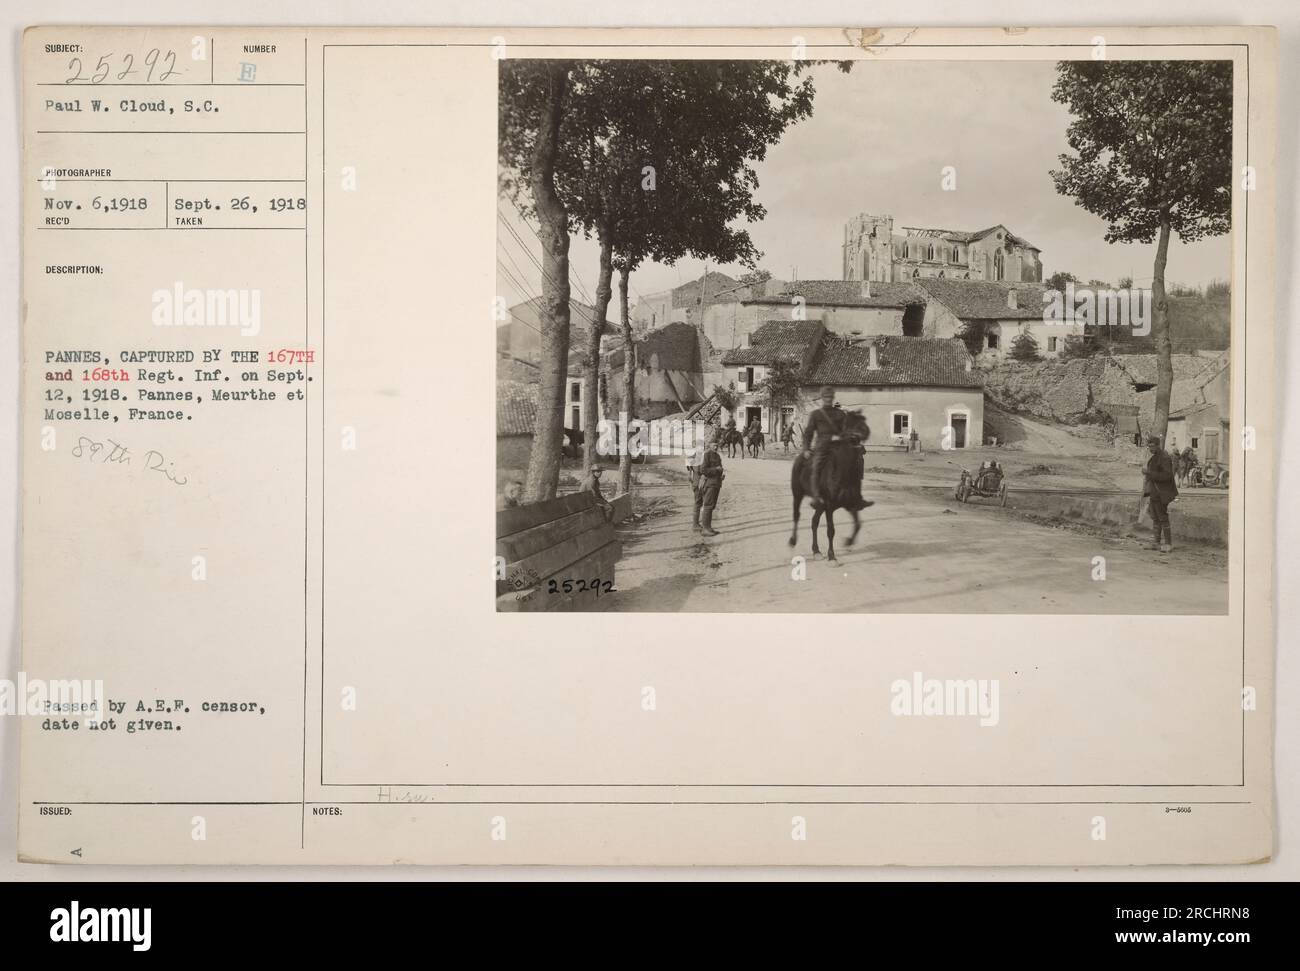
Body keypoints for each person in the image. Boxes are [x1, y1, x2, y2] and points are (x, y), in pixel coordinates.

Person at [802, 386, 845, 504]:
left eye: (830, 397)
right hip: (822, 448)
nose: (828, 399)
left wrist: (841, 437)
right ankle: (816, 496)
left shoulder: (840, 414)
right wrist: (806, 449)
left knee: (851, 464)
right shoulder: (816, 414)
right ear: (822, 398)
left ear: (833, 398)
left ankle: (850, 493)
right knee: (815, 468)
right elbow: (808, 433)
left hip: (838, 447)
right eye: (826, 397)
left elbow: (846, 431)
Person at [1141, 435, 1178, 553]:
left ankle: (1168, 544)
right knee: (1155, 518)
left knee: (1162, 517)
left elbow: (1167, 476)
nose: (1150, 448)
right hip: (1155, 492)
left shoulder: (1164, 457)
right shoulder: (1155, 457)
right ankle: (1156, 543)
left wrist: (1149, 473)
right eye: (1149, 446)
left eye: (1152, 446)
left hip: (1163, 492)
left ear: (1158, 445)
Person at [694, 440, 725, 536]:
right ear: (709, 445)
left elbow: (719, 468)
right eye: (714, 445)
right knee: (708, 505)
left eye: (717, 445)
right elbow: (703, 470)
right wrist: (716, 470)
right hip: (709, 484)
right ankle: (705, 529)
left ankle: (708, 527)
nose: (716, 447)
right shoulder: (706, 455)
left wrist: (721, 474)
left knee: (712, 506)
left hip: (716, 483)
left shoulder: (717, 456)